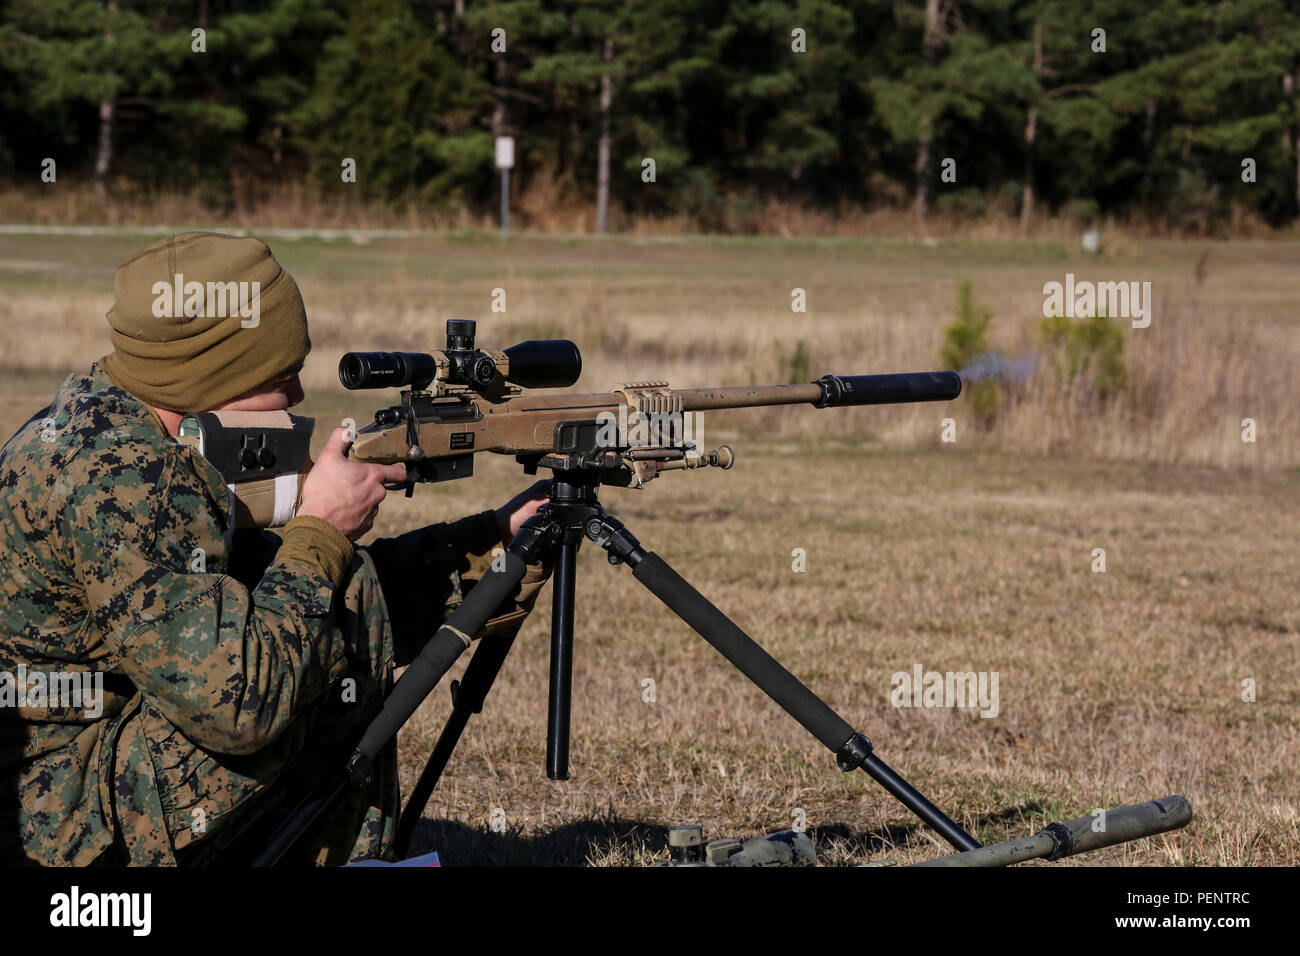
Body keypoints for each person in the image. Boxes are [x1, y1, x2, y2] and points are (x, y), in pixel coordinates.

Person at [0, 232, 551, 866]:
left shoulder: (102, 418)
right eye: (279, 375)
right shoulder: (131, 483)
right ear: (213, 376)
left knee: (323, 592)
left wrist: (495, 545)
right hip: (55, 814)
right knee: (313, 623)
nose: (294, 397)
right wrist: (321, 529)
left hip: (67, 765)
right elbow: (240, 706)